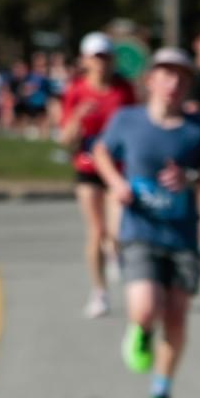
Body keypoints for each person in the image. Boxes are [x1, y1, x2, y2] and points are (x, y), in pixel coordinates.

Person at [94, 48, 200, 398]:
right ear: (151, 80)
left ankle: (161, 396)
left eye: (180, 77)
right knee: (144, 307)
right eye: (165, 75)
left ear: (188, 85)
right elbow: (101, 152)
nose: (172, 84)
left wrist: (191, 179)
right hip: (140, 229)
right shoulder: (128, 120)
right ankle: (140, 330)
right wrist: (116, 183)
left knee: (177, 317)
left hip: (183, 233)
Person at [58, 32, 138, 317]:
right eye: (95, 57)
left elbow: (135, 127)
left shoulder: (123, 90)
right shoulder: (76, 91)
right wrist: (78, 116)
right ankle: (99, 292)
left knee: (117, 230)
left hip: (117, 169)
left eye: (105, 57)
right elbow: (64, 138)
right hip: (88, 168)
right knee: (96, 232)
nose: (101, 63)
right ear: (85, 60)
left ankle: (114, 254)